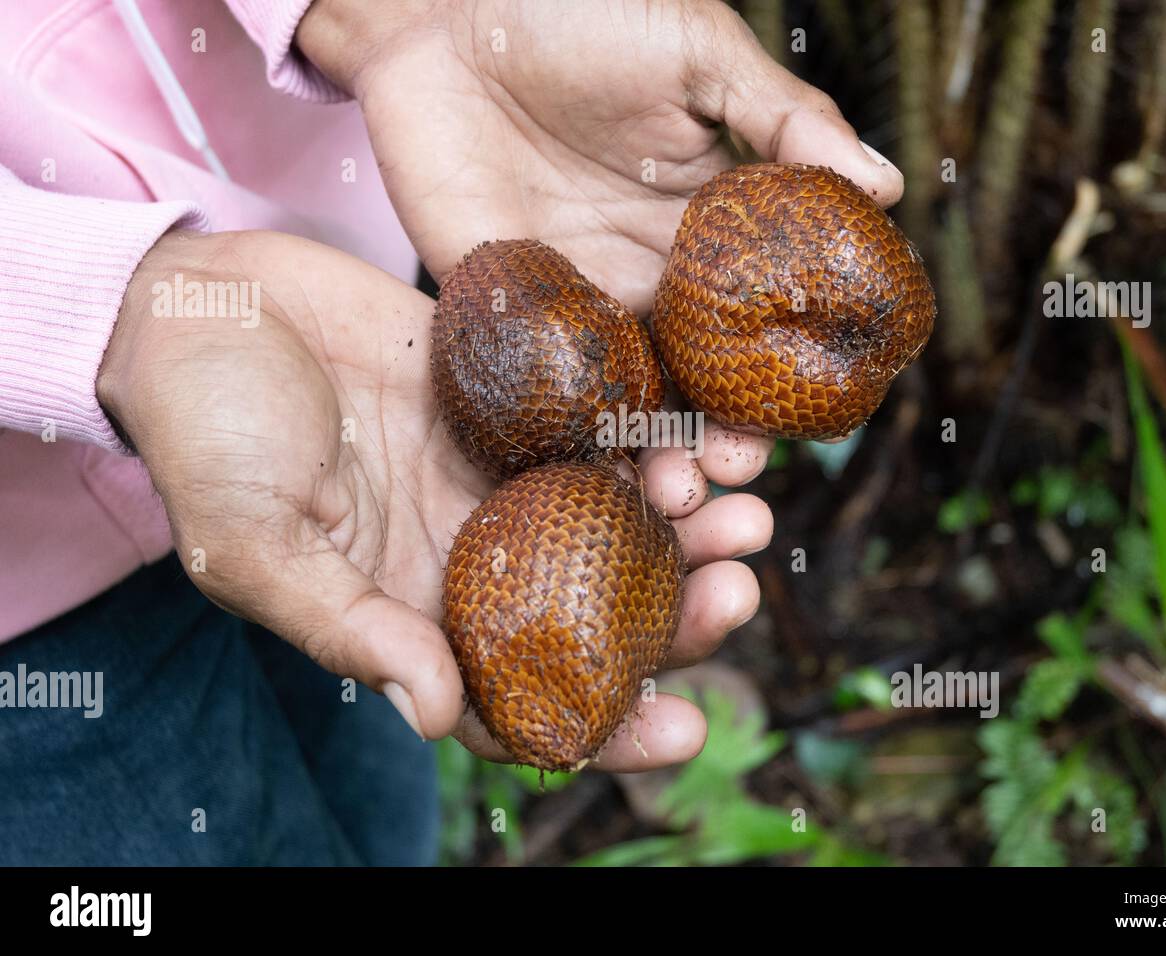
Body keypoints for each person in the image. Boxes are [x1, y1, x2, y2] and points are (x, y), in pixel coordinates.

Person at [0, 0, 904, 865]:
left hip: (344, 402)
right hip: (34, 589)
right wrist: (105, 314)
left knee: (383, 807)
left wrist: (414, 18)